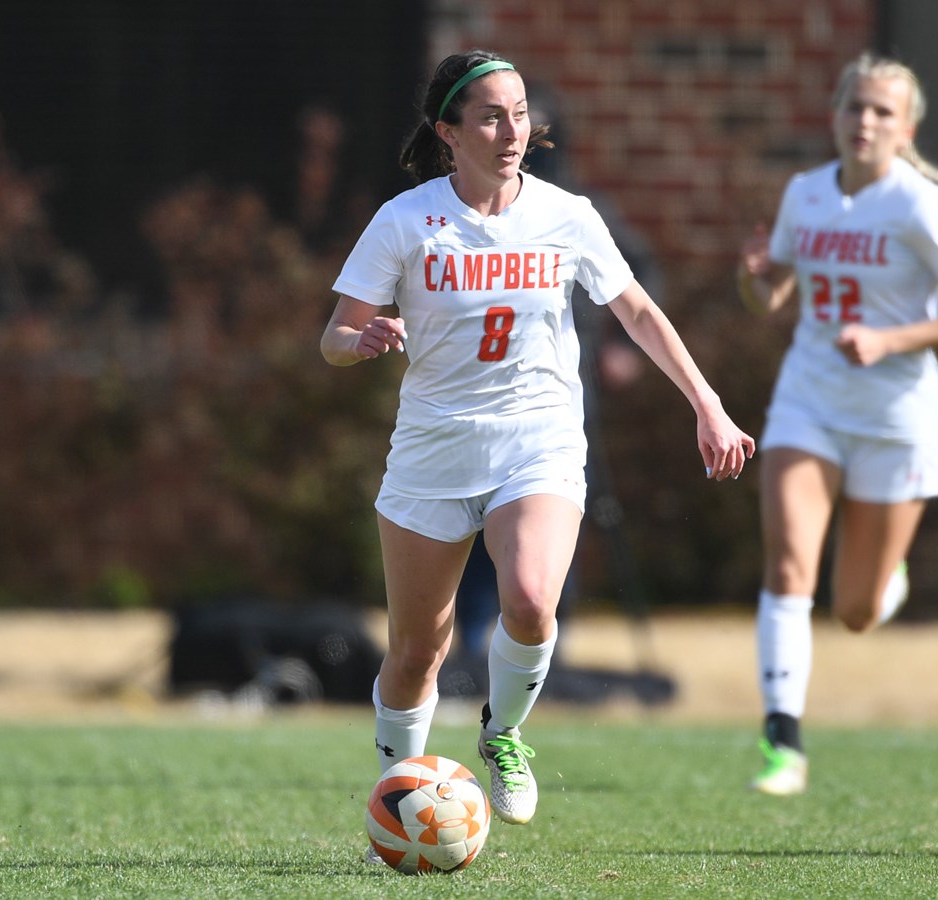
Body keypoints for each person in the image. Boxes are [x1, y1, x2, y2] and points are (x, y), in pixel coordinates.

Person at [321, 48, 754, 843]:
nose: (510, 129)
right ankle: (399, 796)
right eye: (489, 115)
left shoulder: (567, 214)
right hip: (433, 452)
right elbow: (334, 336)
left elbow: (640, 314)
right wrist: (364, 337)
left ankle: (503, 732)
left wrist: (709, 405)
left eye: (519, 113)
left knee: (528, 597)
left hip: (539, 441)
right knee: (419, 648)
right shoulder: (405, 220)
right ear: (448, 132)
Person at [735, 52, 938, 796]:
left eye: (884, 112)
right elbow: (771, 297)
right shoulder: (805, 194)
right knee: (788, 568)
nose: (867, 122)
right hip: (808, 402)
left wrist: (888, 340)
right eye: (856, 108)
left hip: (895, 416)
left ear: (905, 128)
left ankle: (885, 581)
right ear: (836, 117)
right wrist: (750, 275)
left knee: (853, 611)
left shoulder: (919, 206)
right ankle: (782, 741)